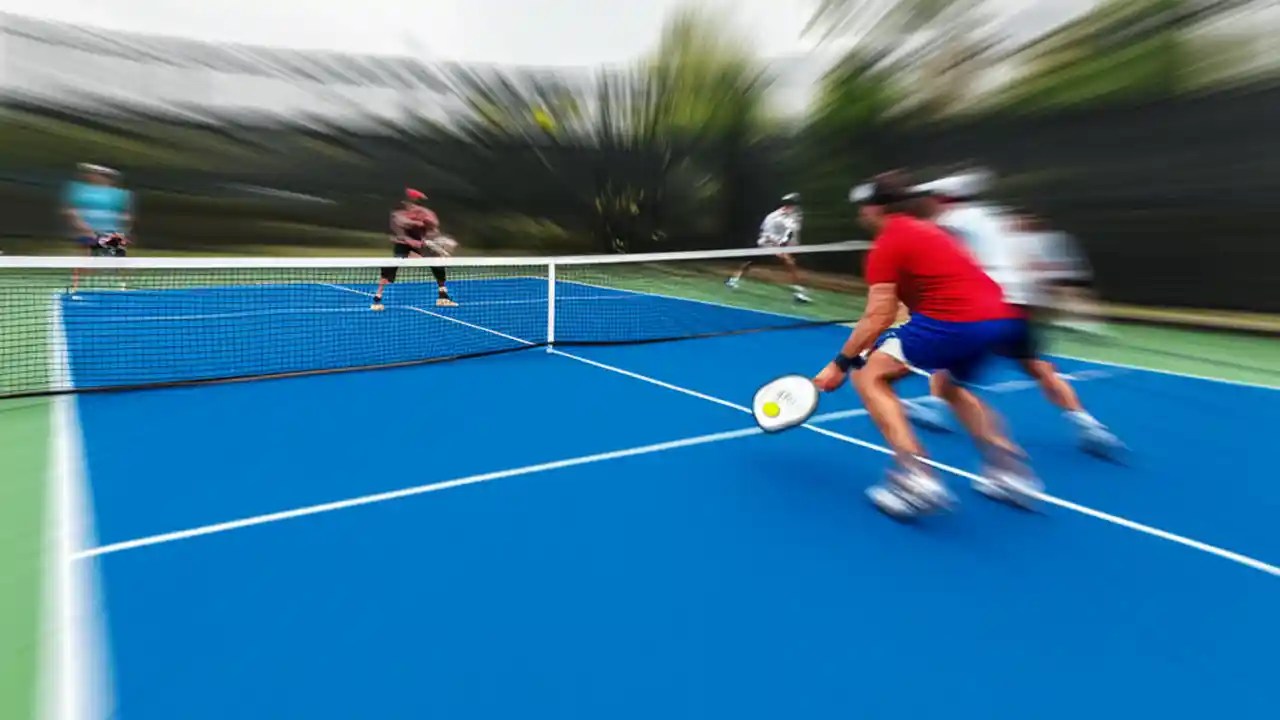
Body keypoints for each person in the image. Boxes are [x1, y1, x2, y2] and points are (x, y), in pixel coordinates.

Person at [814, 172, 1040, 518]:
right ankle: (1010, 473)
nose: (861, 213)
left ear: (875, 208)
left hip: (957, 320)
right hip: (1001, 317)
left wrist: (841, 364)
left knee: (869, 377)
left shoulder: (888, 243)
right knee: (949, 385)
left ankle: (916, 478)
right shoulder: (932, 231)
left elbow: (878, 315)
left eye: (863, 207)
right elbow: (919, 301)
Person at [904, 171, 1123, 457]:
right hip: (1017, 306)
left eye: (932, 198)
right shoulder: (994, 219)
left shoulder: (953, 219)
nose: (930, 203)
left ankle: (996, 454)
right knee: (1039, 368)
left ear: (943, 198)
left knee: (946, 362)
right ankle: (1086, 422)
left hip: (984, 308)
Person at [371, 188, 457, 311]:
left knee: (437, 265)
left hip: (421, 243)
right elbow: (401, 228)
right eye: (409, 201)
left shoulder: (425, 212)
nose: (411, 204)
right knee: (392, 266)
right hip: (403, 243)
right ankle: (377, 298)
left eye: (415, 201)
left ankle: (443, 297)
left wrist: (430, 234)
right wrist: (414, 232)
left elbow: (433, 226)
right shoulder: (397, 214)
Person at [725, 193, 813, 303]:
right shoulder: (773, 217)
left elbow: (790, 231)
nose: (796, 207)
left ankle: (733, 279)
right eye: (794, 205)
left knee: (752, 263)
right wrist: (777, 244)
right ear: (788, 205)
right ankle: (800, 291)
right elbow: (766, 233)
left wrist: (786, 242)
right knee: (788, 262)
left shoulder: (792, 216)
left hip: (778, 245)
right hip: (766, 243)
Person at [62, 163, 133, 296]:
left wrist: (125, 230)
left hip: (111, 232)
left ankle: (124, 288)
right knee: (83, 261)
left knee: (118, 261)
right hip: (85, 232)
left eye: (100, 174)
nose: (95, 176)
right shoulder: (79, 189)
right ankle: (75, 289)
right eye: (92, 173)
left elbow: (125, 215)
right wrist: (81, 226)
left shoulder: (118, 194)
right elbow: (70, 210)